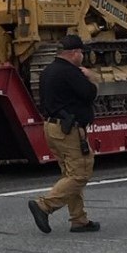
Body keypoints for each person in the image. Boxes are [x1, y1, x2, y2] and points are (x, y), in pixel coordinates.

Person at [29, 35, 100, 233]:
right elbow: (89, 94)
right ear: (74, 53)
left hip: (52, 127)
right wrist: (91, 78)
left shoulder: (49, 71)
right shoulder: (71, 72)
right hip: (69, 130)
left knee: (69, 173)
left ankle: (79, 219)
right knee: (80, 174)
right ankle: (44, 205)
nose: (83, 56)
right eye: (81, 53)